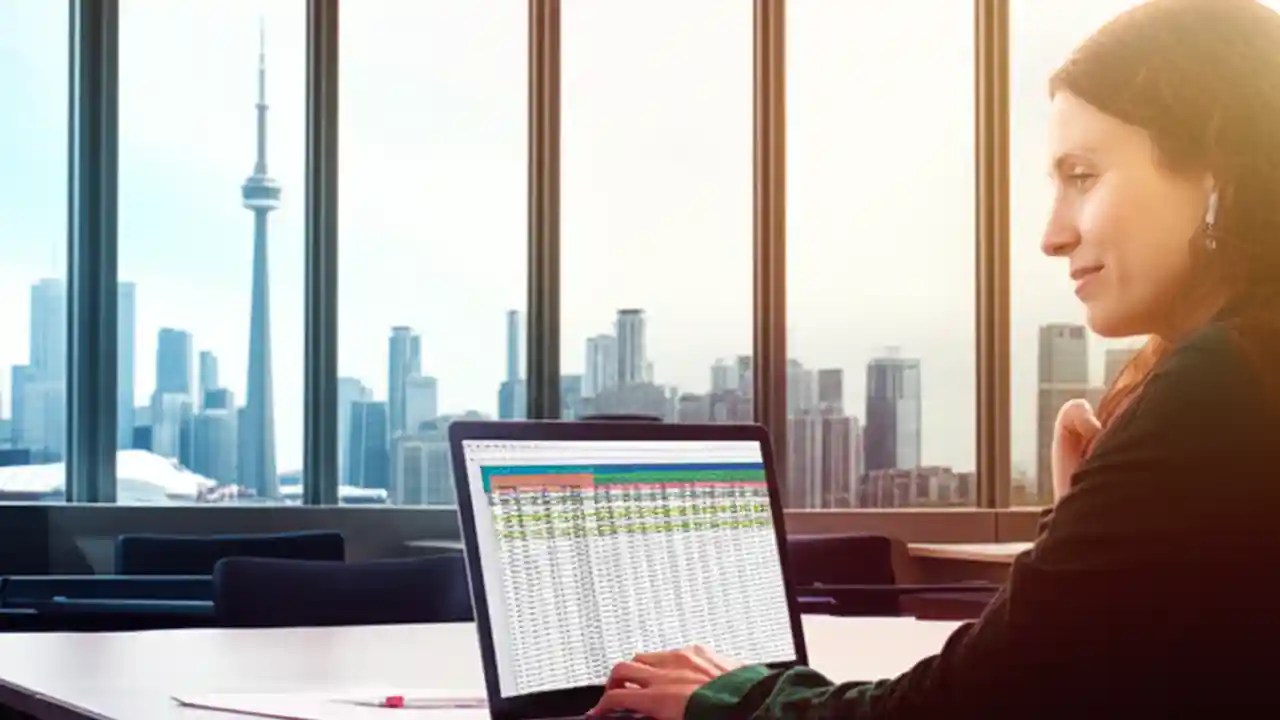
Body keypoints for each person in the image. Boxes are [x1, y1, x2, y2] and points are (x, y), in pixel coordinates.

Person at [588, 0, 1280, 717]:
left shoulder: (1218, 385)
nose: (1051, 235)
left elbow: (964, 705)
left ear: (1215, 175)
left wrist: (729, 699)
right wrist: (1094, 523)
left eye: (1082, 176)